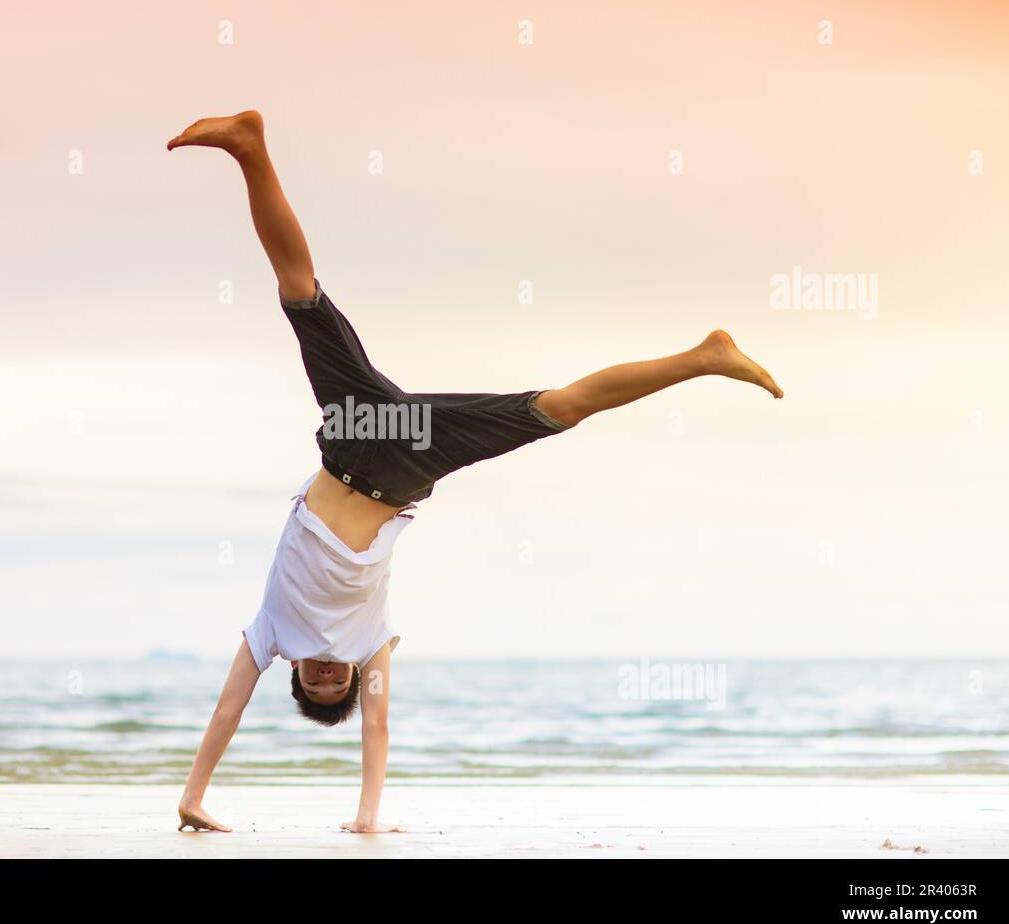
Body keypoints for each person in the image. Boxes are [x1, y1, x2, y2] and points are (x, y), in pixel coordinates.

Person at [169, 111, 782, 834]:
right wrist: (368, 819)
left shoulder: (271, 633)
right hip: (410, 459)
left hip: (357, 435)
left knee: (299, 292)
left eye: (318, 682)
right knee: (557, 409)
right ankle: (704, 357)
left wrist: (192, 795)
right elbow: (378, 732)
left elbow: (228, 707)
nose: (330, 676)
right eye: (341, 686)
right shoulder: (373, 644)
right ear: (356, 681)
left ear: (299, 677)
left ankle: (249, 148)